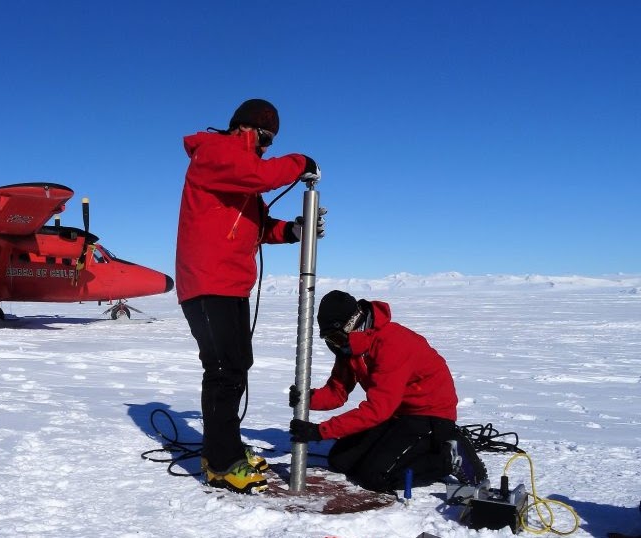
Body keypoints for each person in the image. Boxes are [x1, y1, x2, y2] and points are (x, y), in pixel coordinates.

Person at [176, 98, 322, 494]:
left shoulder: (239, 171)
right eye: (265, 138)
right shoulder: (217, 153)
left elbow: (255, 225)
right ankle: (221, 463)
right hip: (207, 283)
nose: (266, 147)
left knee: (236, 366)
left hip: (231, 284)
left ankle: (225, 450)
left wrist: (293, 231)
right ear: (249, 129)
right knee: (224, 371)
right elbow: (259, 175)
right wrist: (299, 162)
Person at [288, 290, 488, 493]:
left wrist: (321, 431)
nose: (335, 345)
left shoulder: (392, 343)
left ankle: (449, 456)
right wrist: (307, 398)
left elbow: (378, 409)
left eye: (336, 338)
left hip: (429, 415)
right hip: (397, 414)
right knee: (340, 460)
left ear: (352, 325)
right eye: (330, 340)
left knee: (374, 476)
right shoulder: (350, 349)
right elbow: (337, 391)